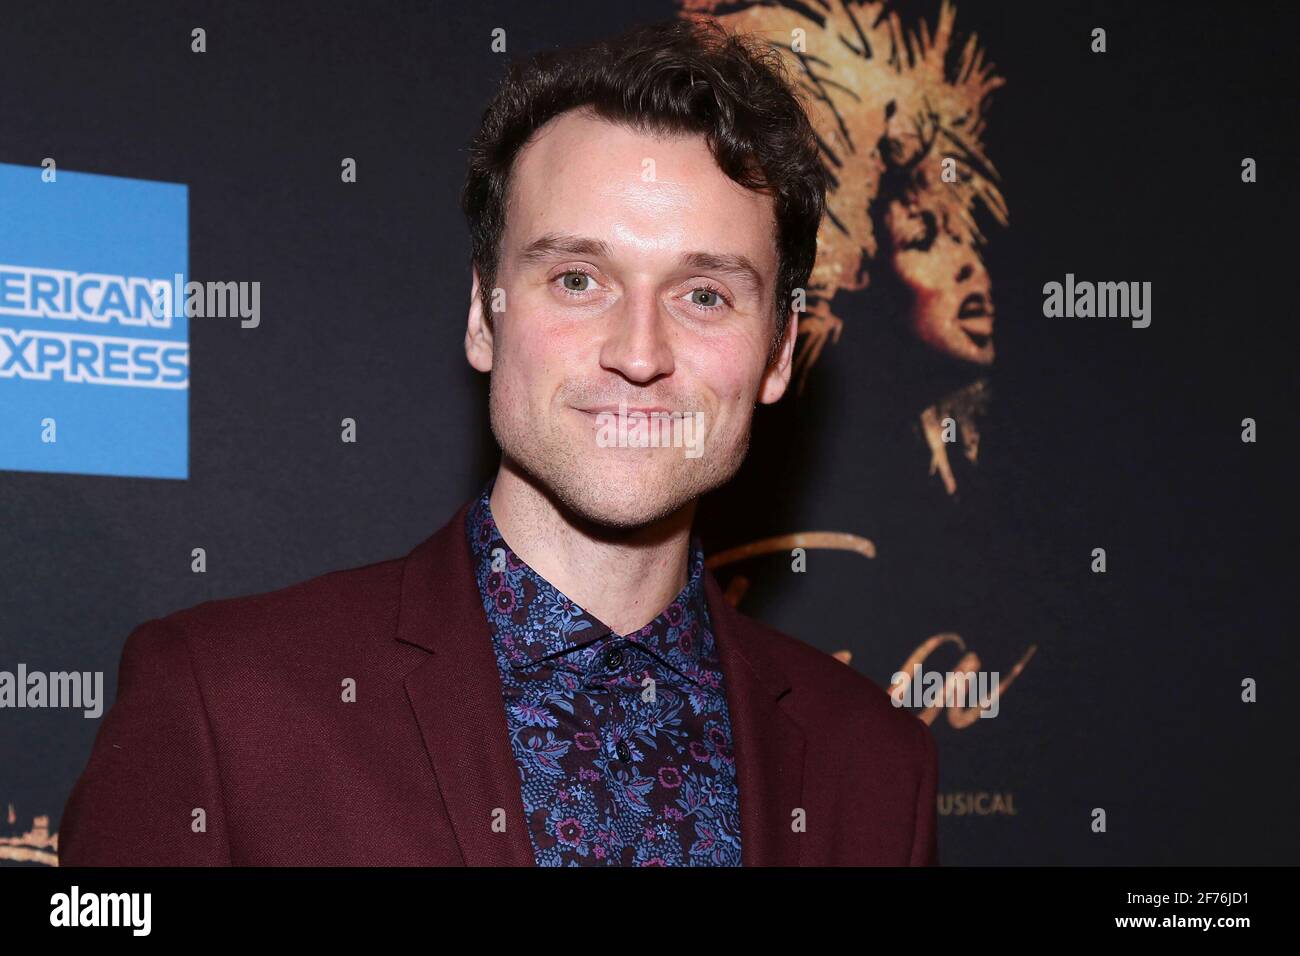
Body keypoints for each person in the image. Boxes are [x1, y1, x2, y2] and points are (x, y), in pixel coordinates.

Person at [59, 16, 938, 867]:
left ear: (780, 350)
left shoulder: (875, 766)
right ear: (485, 315)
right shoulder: (224, 703)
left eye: (704, 294)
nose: (639, 352)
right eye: (577, 278)